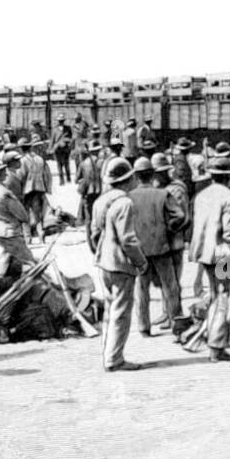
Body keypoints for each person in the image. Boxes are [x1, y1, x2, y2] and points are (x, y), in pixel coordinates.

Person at [90, 157, 149, 371]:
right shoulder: (125, 203)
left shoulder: (100, 201)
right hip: (120, 264)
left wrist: (102, 253)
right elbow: (128, 240)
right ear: (129, 179)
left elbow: (94, 233)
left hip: (104, 262)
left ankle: (109, 354)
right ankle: (114, 359)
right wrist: (140, 262)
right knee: (121, 313)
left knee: (109, 311)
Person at [188, 156, 230, 361]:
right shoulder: (229, 197)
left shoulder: (202, 195)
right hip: (223, 253)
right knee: (224, 297)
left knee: (213, 294)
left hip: (204, 252)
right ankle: (217, 347)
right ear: (228, 177)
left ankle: (212, 337)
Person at [128, 157, 186, 336]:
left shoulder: (128, 197)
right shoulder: (162, 194)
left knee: (141, 288)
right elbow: (180, 216)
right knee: (170, 286)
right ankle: (177, 323)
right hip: (161, 247)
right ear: (152, 174)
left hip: (139, 250)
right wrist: (167, 228)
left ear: (136, 176)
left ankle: (144, 327)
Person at [0, 154, 35, 279]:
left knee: (1, 265)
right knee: (30, 263)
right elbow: (23, 215)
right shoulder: (4, 193)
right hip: (10, 233)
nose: (5, 173)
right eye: (2, 171)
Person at [19, 137, 52, 244]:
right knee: (37, 214)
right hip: (39, 189)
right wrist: (47, 188)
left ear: (21, 148)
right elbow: (47, 174)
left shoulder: (22, 161)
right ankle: (41, 233)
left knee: (25, 215)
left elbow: (21, 176)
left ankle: (27, 238)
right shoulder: (39, 159)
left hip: (27, 191)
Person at [76, 140, 104, 225]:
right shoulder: (102, 162)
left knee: (89, 217)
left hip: (88, 192)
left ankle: (89, 237)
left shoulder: (83, 163)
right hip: (100, 192)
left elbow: (77, 179)